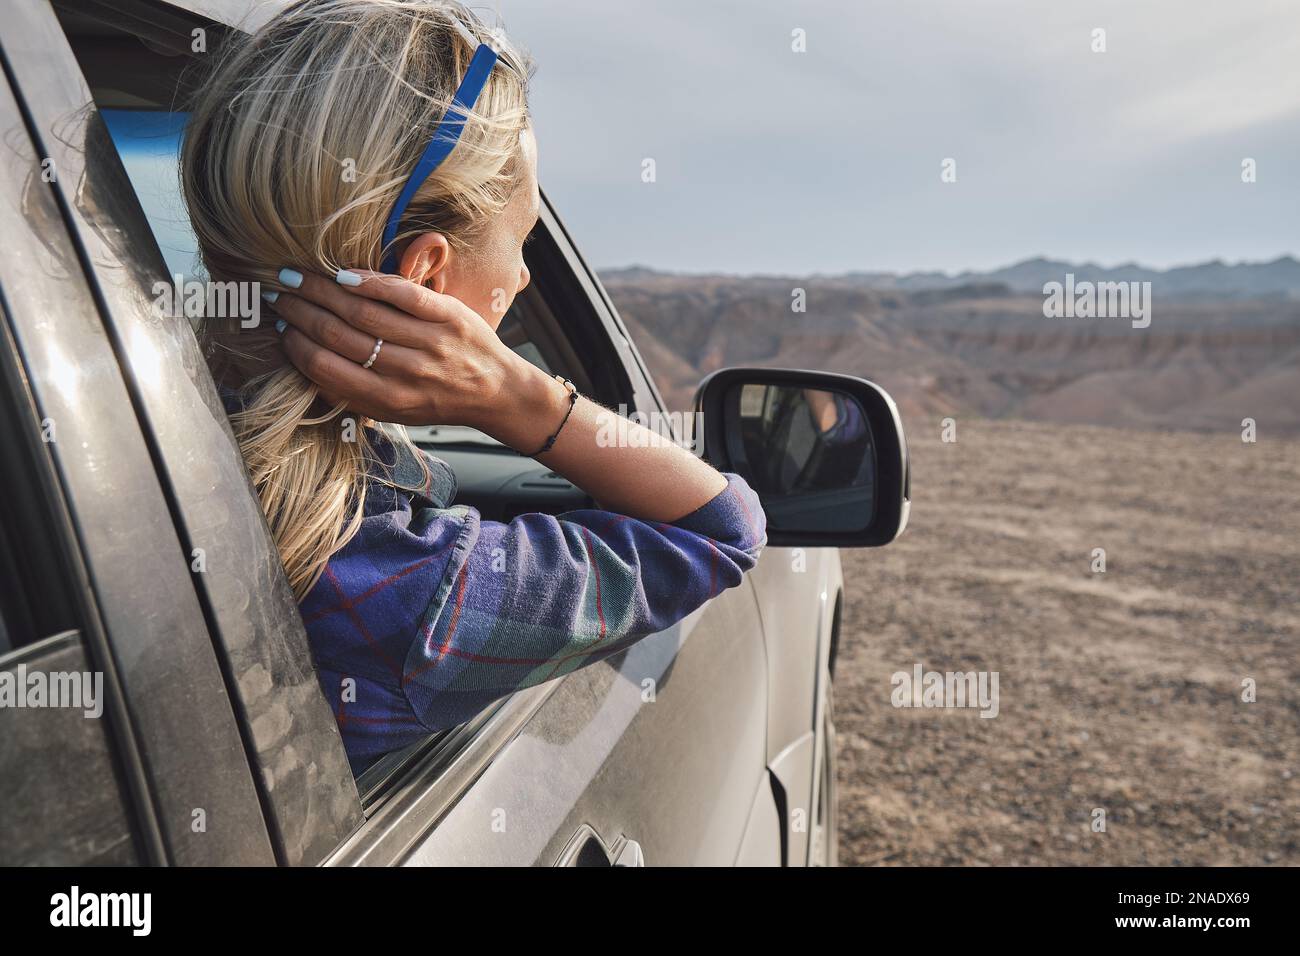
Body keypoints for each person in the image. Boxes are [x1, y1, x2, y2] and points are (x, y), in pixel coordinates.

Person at [181, 0, 767, 774]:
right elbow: (721, 531)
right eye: (522, 241)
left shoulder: (122, 436)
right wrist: (512, 396)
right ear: (425, 275)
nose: (522, 278)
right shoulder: (408, 596)